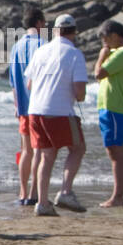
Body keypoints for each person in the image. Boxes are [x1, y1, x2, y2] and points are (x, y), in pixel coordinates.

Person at [25, 14, 88, 217]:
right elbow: (79, 92)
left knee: (46, 155)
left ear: (55, 31)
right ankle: (66, 191)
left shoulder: (41, 51)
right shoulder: (74, 54)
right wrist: (79, 95)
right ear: (74, 32)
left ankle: (42, 202)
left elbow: (29, 84)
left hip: (35, 110)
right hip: (59, 110)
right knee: (77, 148)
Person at [94, 20, 123, 208]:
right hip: (109, 108)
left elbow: (99, 73)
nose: (104, 42)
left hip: (117, 108)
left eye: (105, 38)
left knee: (117, 151)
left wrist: (102, 56)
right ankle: (117, 195)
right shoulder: (118, 53)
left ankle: (118, 196)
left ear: (115, 36)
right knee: (113, 149)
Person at [9, 7, 46, 205]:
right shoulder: (43, 45)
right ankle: (33, 193)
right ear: (39, 23)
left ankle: (22, 192)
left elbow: (13, 81)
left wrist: (17, 105)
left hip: (22, 105)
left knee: (25, 150)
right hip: (39, 104)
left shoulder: (16, 46)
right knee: (39, 150)